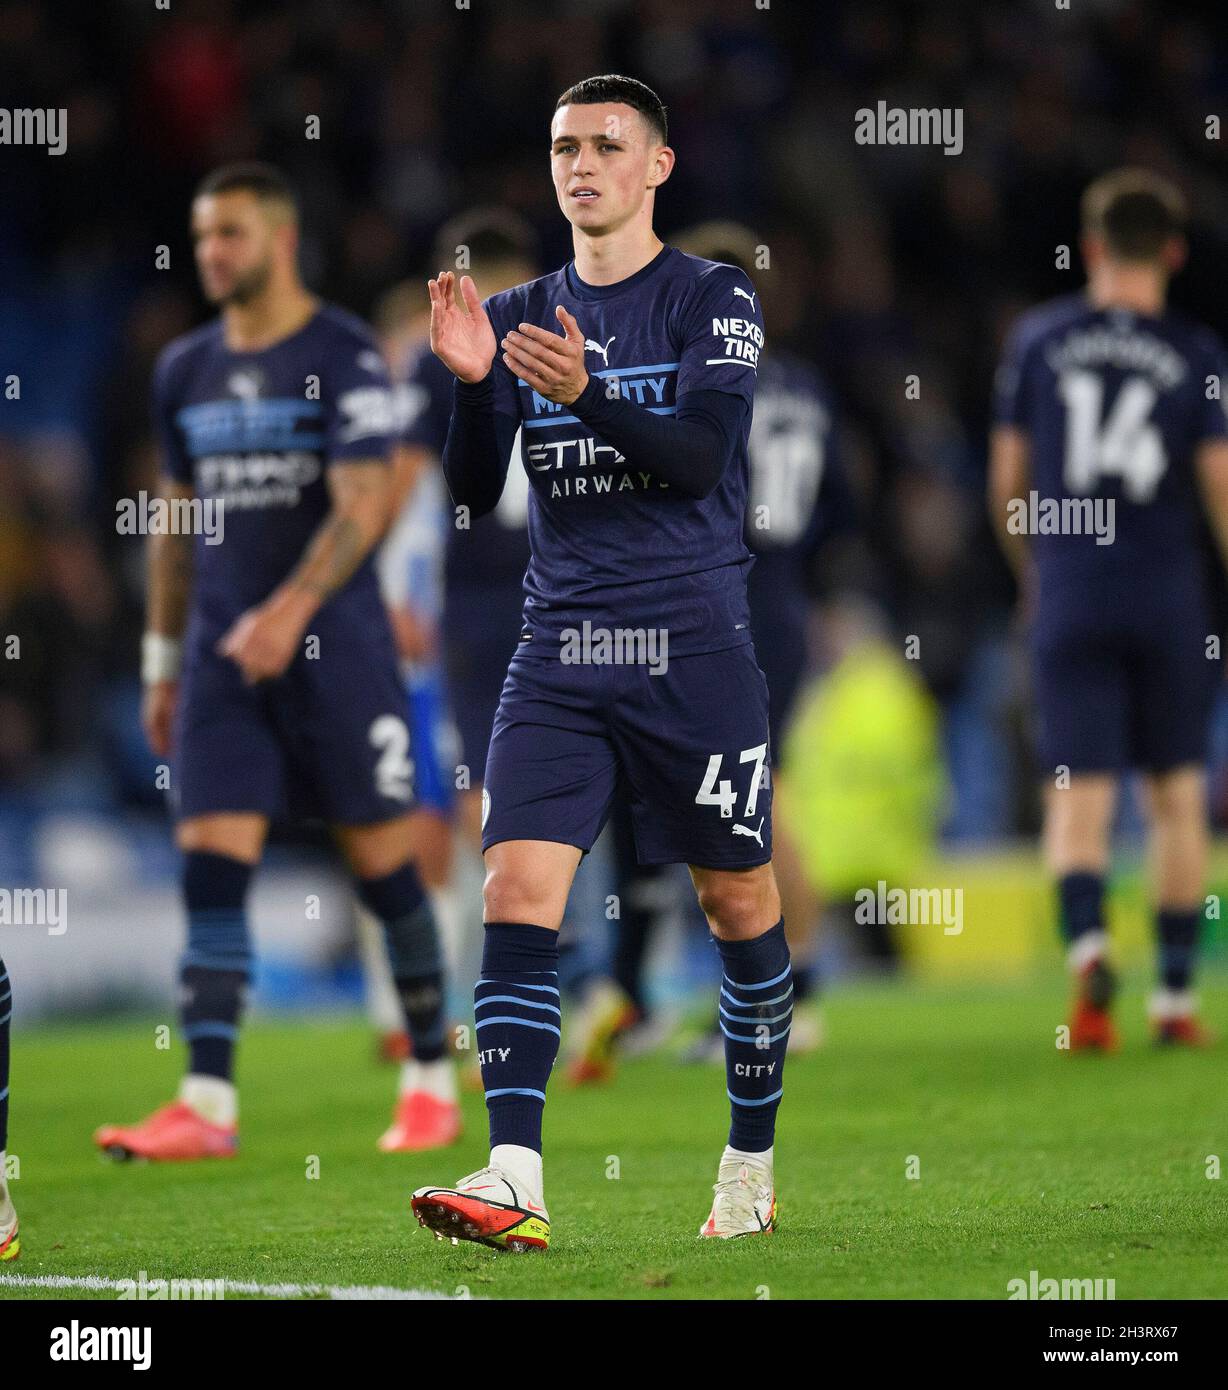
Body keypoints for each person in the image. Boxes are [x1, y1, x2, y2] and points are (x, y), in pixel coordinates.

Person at [410, 74, 788, 1251]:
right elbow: (476, 495)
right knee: (515, 892)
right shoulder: (520, 306)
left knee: (736, 901)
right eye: (566, 144)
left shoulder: (711, 297)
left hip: (693, 647)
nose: (582, 165)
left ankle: (749, 1158)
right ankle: (513, 1172)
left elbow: (694, 458)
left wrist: (584, 395)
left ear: (656, 167)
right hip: (558, 648)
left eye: (607, 145)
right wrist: (476, 389)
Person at [94, 162, 459, 1160]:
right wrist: (162, 659)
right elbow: (176, 526)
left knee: (384, 868)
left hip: (338, 650)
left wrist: (290, 606)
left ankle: (430, 1074)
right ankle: (206, 1101)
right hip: (220, 656)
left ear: (281, 240)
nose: (213, 253)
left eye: (232, 234)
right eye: (203, 235)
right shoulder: (184, 370)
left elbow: (367, 499)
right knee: (210, 868)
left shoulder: (342, 353)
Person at [990, 168, 1228, 1049]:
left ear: (1090, 247)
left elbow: (1006, 483)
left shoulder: (1039, 341)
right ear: (1171, 250)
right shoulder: (1197, 354)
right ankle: (1173, 998)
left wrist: (1034, 569)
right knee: (1177, 798)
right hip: (1170, 595)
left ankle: (1089, 948)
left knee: (1078, 798)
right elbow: (1219, 491)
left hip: (1071, 591)